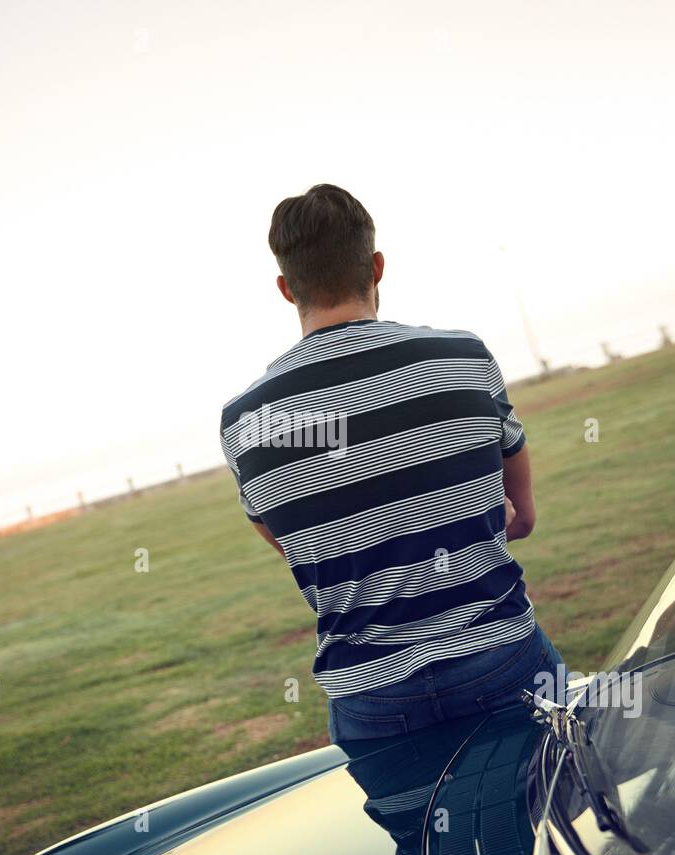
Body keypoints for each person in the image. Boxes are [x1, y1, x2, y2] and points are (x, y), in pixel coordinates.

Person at [219, 184, 565, 744]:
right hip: (500, 655)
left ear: (286, 289)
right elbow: (520, 518)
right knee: (552, 816)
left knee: (417, 834)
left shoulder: (242, 420)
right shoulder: (462, 356)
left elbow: (296, 550)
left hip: (369, 697)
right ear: (376, 267)